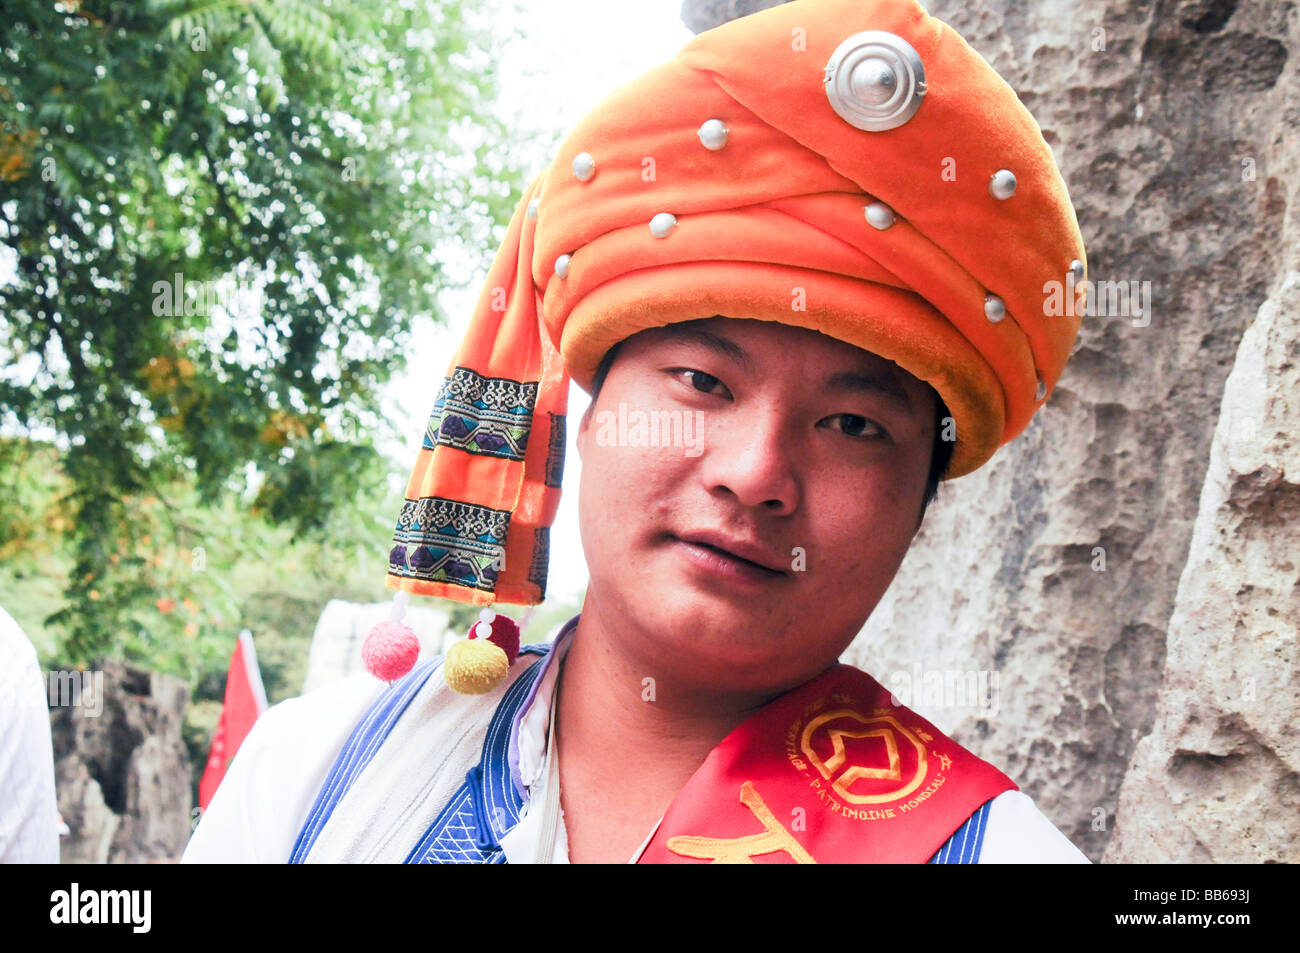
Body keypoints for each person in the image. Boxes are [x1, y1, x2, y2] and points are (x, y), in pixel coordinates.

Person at [183, 0, 1091, 863]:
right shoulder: (316, 774)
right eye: (702, 381)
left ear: (921, 507)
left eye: (853, 424)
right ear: (591, 411)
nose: (754, 472)